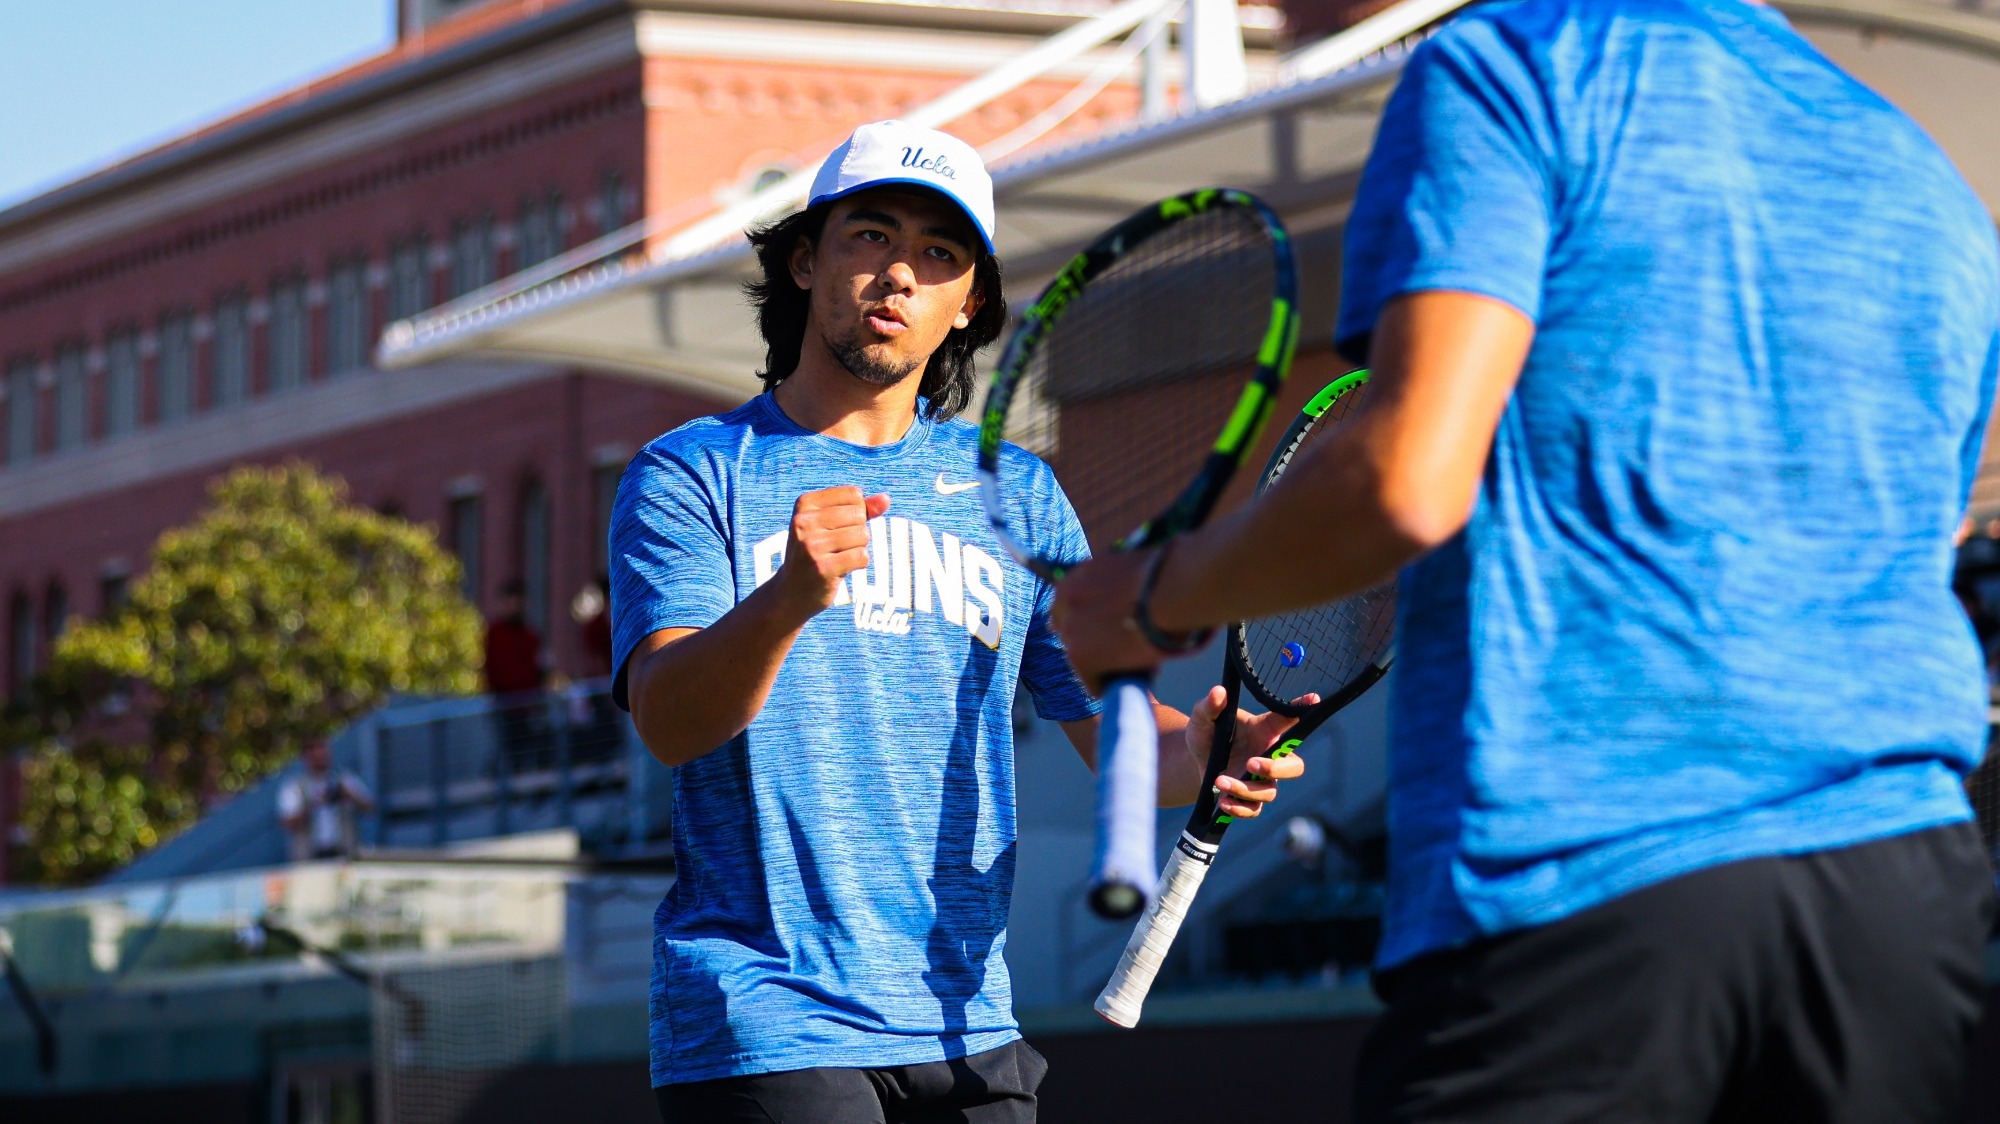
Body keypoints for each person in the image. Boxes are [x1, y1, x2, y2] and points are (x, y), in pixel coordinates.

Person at [1052, 2, 2000, 1120]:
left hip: (1586, 874)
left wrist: (1154, 596)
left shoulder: (1510, 62)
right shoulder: (1920, 173)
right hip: (1899, 895)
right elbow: (1916, 537)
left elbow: (1403, 476)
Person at [609, 120, 1310, 1123]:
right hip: (767, 1024)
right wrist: (786, 601)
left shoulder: (1017, 494)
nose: (899, 273)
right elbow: (670, 722)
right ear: (806, 259)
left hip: (970, 1029)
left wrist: (1199, 747)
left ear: (967, 302)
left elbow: (1110, 739)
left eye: (938, 254)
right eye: (870, 237)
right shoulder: (689, 472)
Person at [276, 738, 374, 861]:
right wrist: (314, 804)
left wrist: (348, 795)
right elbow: (287, 823)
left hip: (344, 855)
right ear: (305, 758)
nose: (319, 758)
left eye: (322, 754)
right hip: (309, 858)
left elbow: (370, 808)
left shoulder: (344, 779)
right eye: (314, 756)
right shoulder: (294, 785)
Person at [484, 577, 546, 766]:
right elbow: (492, 668)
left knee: (526, 752)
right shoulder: (494, 633)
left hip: (526, 706)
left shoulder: (530, 635)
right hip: (504, 705)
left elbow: (537, 668)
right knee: (506, 752)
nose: (514, 607)